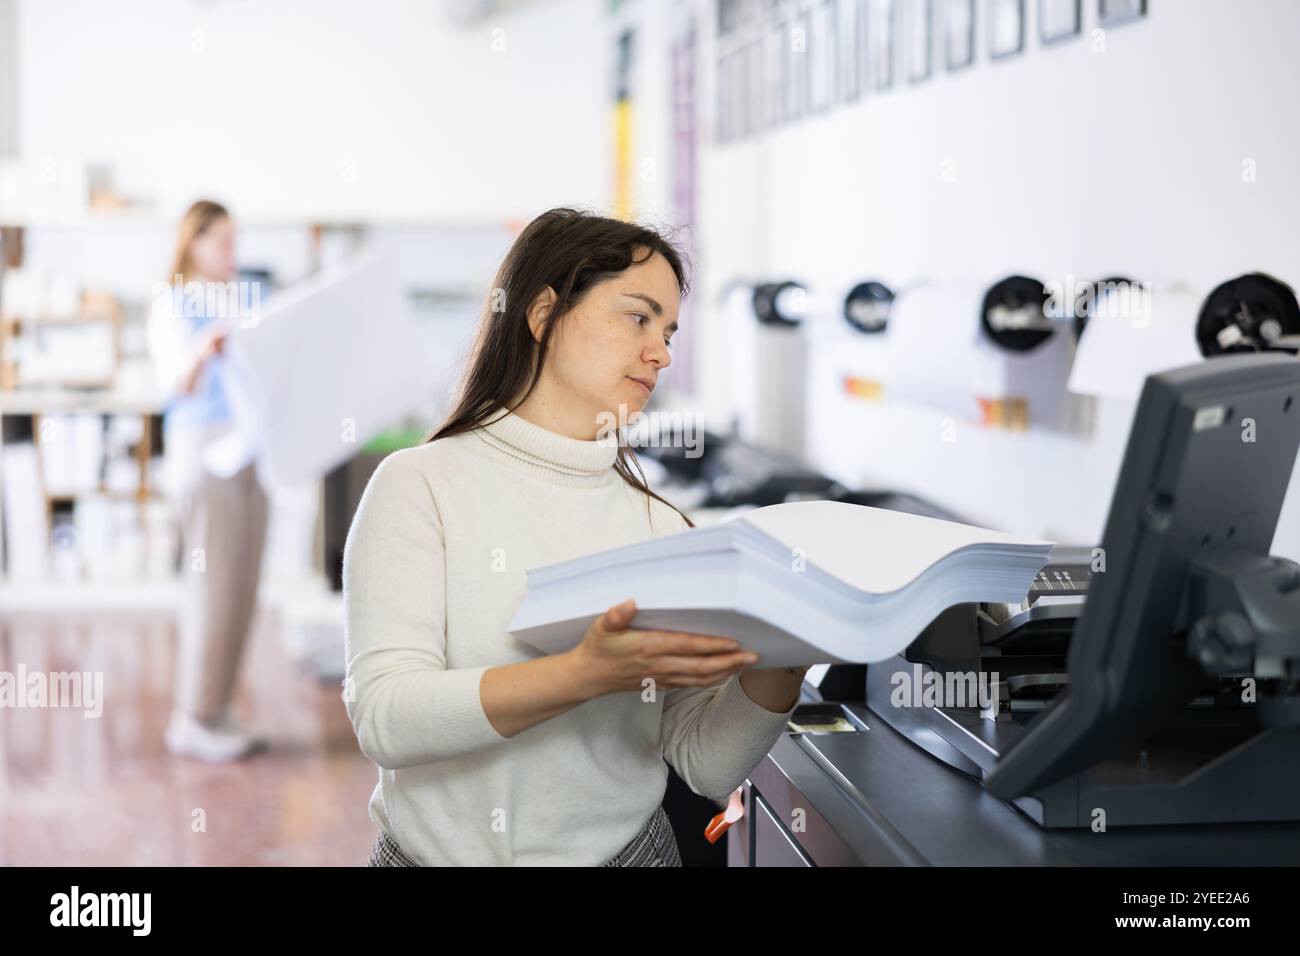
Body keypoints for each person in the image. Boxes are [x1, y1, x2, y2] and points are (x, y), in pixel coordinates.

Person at [344, 207, 809, 866]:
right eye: (639, 317)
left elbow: (703, 764)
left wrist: (788, 658)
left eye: (670, 331)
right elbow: (385, 718)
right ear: (542, 314)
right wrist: (582, 675)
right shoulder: (419, 485)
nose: (663, 352)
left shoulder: (659, 526)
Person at [147, 199, 269, 762]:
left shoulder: (241, 296)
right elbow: (177, 384)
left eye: (234, 241)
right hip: (205, 454)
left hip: (250, 453)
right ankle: (192, 717)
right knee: (211, 589)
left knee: (242, 589)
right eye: (221, 241)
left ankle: (219, 708)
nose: (231, 252)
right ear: (193, 243)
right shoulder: (173, 306)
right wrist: (204, 350)